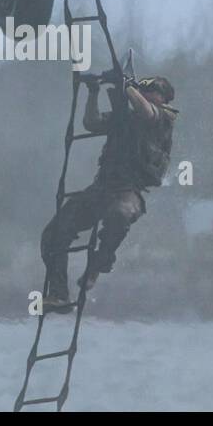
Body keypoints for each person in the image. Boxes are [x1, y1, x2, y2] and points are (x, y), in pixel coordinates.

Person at [40, 75, 178, 313]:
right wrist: (93, 92)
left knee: (120, 215)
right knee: (53, 234)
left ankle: (98, 264)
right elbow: (91, 123)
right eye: (145, 89)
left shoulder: (164, 116)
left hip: (129, 191)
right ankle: (59, 295)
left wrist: (127, 88)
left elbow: (147, 112)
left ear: (163, 98)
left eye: (153, 90)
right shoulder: (127, 117)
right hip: (101, 188)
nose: (147, 93)